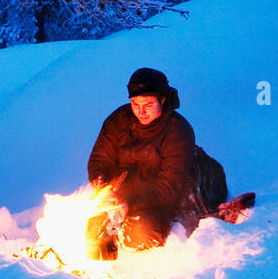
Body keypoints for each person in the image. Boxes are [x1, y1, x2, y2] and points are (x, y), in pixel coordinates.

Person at [86, 67, 201, 252]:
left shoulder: (178, 132)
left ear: (162, 100)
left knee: (138, 233)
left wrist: (129, 205)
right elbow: (100, 159)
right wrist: (104, 188)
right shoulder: (118, 120)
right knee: (94, 233)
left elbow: (167, 187)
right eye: (135, 104)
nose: (141, 112)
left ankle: (138, 265)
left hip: (157, 200)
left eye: (148, 105)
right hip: (120, 194)